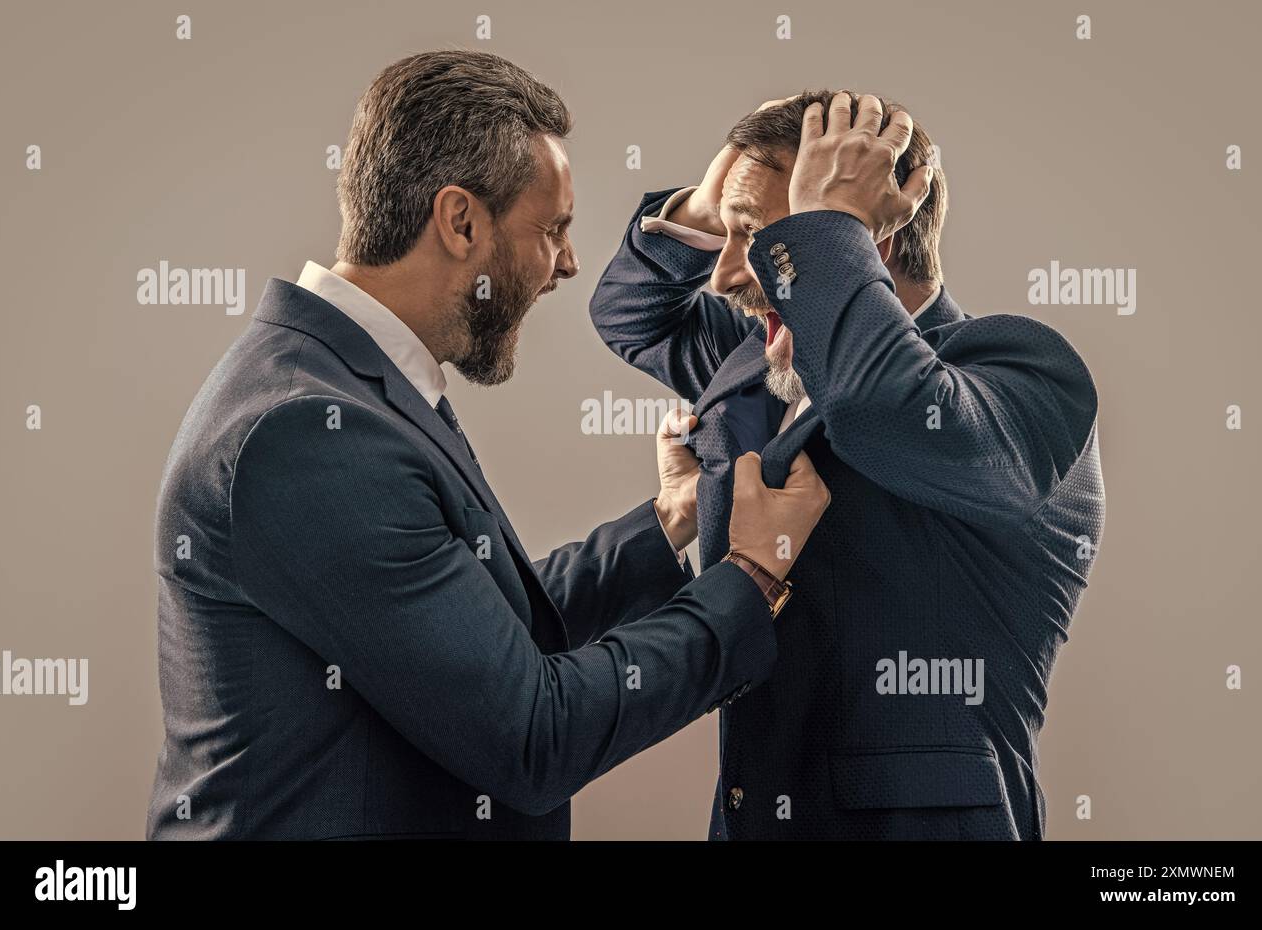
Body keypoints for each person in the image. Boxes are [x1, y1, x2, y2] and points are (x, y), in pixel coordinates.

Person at [146, 51, 828, 840]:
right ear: (460, 221)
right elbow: (535, 736)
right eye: (553, 230)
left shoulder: (344, 386)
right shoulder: (306, 432)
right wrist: (749, 575)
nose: (568, 264)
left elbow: (482, 635)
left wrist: (669, 518)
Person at [591, 91, 1105, 839]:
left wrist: (830, 225)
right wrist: (707, 208)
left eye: (763, 239)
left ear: (871, 239)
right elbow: (630, 313)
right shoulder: (766, 360)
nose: (727, 274)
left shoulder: (1020, 375)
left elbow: (877, 406)